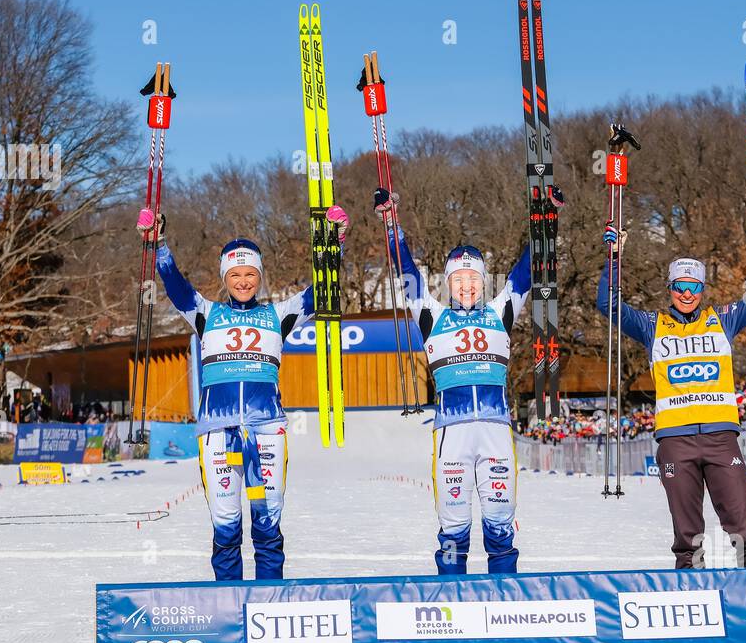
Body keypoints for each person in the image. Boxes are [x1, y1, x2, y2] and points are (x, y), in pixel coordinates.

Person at [143, 206, 349, 579]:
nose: (243, 281)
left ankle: (269, 600)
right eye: (235, 274)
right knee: (226, 527)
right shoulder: (206, 313)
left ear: (259, 277)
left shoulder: (277, 315)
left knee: (267, 525)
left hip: (266, 430)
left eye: (250, 274)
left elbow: (319, 293)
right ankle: (229, 601)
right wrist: (159, 244)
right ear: (225, 278)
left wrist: (334, 243)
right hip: (218, 432)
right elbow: (176, 287)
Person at [377, 186, 542, 575]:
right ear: (447, 284)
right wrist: (391, 224)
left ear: (484, 282)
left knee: (500, 523)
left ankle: (505, 595)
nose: (467, 286)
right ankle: (452, 596)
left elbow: (526, 271)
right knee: (453, 527)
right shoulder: (431, 315)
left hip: (495, 430)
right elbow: (406, 273)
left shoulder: (501, 311)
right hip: (452, 433)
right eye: (458, 279)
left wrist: (545, 220)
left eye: (473, 279)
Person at [596, 230, 746, 568]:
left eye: (694, 287)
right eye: (680, 286)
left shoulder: (723, 318)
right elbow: (608, 306)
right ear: (670, 288)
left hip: (720, 437)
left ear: (702, 289)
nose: (687, 294)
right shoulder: (652, 325)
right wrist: (614, 258)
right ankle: (691, 583)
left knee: (744, 526)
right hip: (676, 441)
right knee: (688, 537)